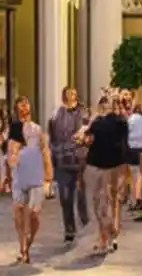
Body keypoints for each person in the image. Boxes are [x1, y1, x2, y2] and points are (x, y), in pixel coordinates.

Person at [84, 93, 129, 256]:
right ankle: (110, 235)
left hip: (101, 165)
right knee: (112, 200)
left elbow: (87, 138)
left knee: (101, 203)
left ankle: (108, 234)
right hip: (116, 165)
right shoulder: (121, 122)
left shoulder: (99, 123)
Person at [8, 96, 52, 264]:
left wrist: (49, 176)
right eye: (20, 107)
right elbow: (11, 152)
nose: (24, 110)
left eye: (26, 106)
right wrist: (10, 165)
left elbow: (45, 151)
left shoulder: (37, 130)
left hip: (36, 176)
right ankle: (22, 248)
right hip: (19, 176)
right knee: (18, 210)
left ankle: (29, 240)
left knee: (34, 214)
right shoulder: (14, 129)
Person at [48, 86, 91, 243]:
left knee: (80, 195)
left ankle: (85, 222)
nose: (72, 96)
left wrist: (85, 141)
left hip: (79, 160)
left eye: (74, 93)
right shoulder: (56, 114)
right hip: (62, 161)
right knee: (65, 197)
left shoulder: (83, 112)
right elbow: (52, 138)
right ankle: (69, 229)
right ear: (64, 96)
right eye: (69, 93)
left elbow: (89, 134)